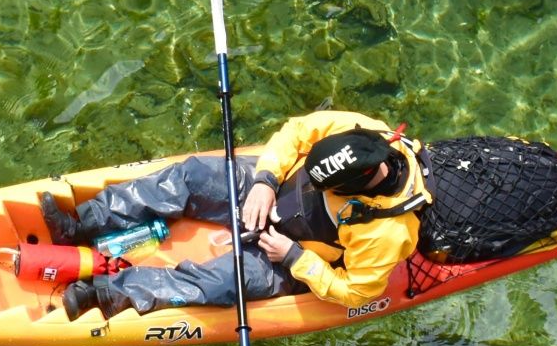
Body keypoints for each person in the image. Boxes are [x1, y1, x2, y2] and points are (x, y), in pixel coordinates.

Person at [44, 111, 429, 319]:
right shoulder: (360, 132)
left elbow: (358, 291)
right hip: (267, 191)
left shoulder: (388, 231)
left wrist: (295, 258)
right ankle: (81, 224)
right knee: (191, 175)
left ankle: (109, 294)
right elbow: (297, 131)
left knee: (220, 283)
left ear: (354, 188)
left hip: (287, 253)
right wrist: (264, 179)